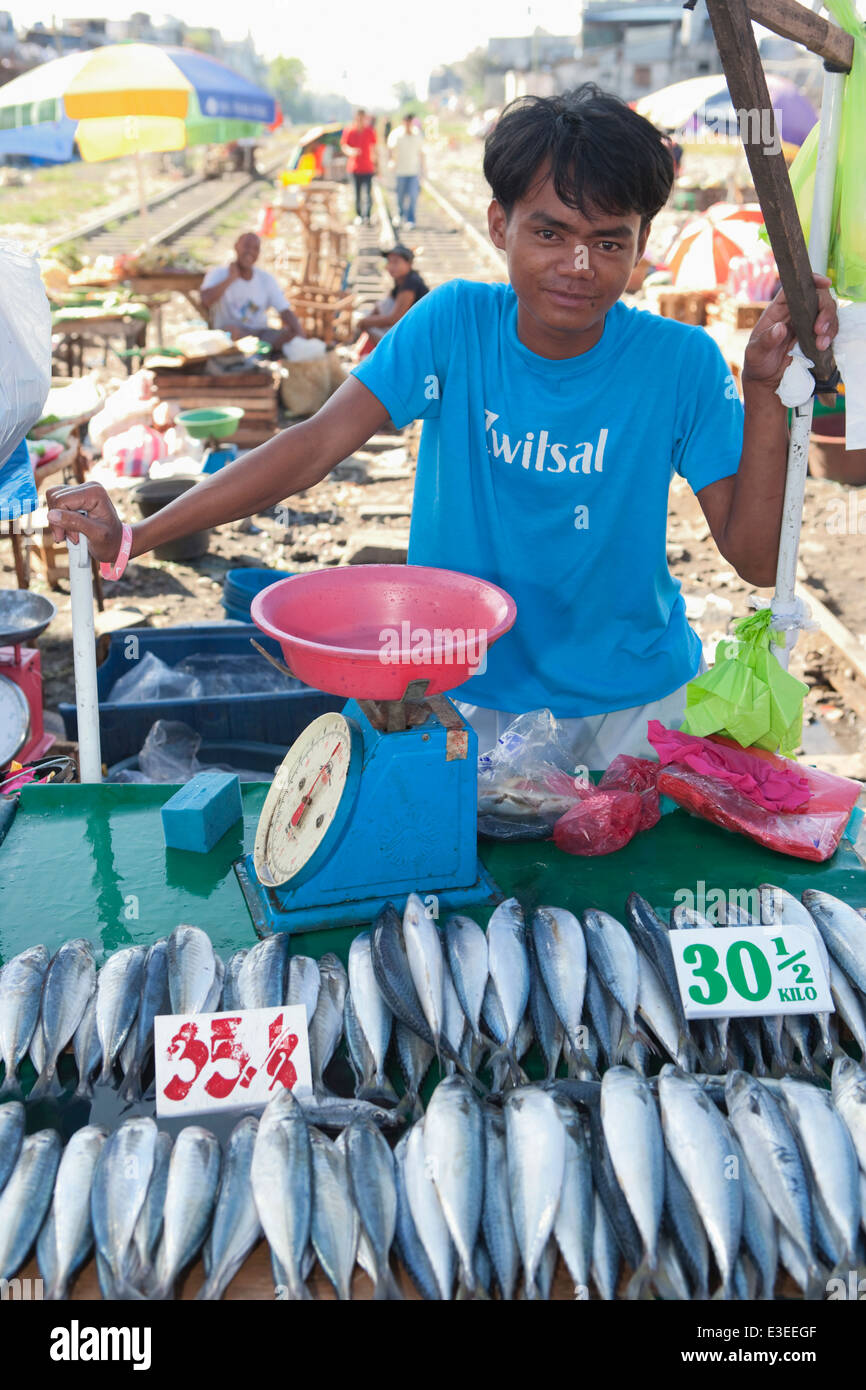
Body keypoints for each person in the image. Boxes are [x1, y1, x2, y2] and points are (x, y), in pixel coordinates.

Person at [46, 86, 837, 769]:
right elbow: (312, 445)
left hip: (633, 708)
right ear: (500, 225)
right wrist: (137, 537)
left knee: (618, 910)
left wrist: (766, 390)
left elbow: (756, 558)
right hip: (463, 692)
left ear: (641, 247)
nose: (579, 267)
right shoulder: (455, 324)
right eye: (550, 232)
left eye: (609, 242)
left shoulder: (681, 362)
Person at [200, 233, 305, 353]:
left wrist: (300, 335)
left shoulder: (266, 278)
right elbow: (205, 300)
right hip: (231, 334)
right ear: (236, 246)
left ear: (259, 253)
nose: (250, 252)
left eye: (255, 248)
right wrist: (231, 278)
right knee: (231, 332)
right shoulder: (218, 273)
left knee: (292, 336)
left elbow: (284, 310)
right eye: (246, 246)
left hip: (261, 333)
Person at [354, 243, 429, 356]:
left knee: (369, 324)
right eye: (389, 262)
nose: (391, 266)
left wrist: (365, 322)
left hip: (417, 336)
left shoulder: (411, 283)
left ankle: (390, 355)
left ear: (408, 264)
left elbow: (395, 318)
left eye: (396, 262)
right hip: (411, 332)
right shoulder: (400, 283)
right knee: (378, 307)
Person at [387, 111, 425, 228]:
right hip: (400, 171)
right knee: (400, 196)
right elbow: (390, 148)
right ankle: (399, 215)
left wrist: (423, 169)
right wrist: (391, 161)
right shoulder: (397, 134)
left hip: (413, 171)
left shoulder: (417, 134)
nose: (408, 124)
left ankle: (411, 219)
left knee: (413, 196)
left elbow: (421, 152)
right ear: (403, 122)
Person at [341, 109, 378, 224]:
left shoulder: (370, 131)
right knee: (357, 194)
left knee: (367, 193)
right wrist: (351, 151)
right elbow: (344, 146)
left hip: (368, 168)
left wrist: (377, 165)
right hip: (354, 168)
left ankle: (367, 215)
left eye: (363, 118)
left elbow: (374, 149)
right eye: (359, 118)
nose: (361, 120)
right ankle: (358, 215)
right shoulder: (349, 131)